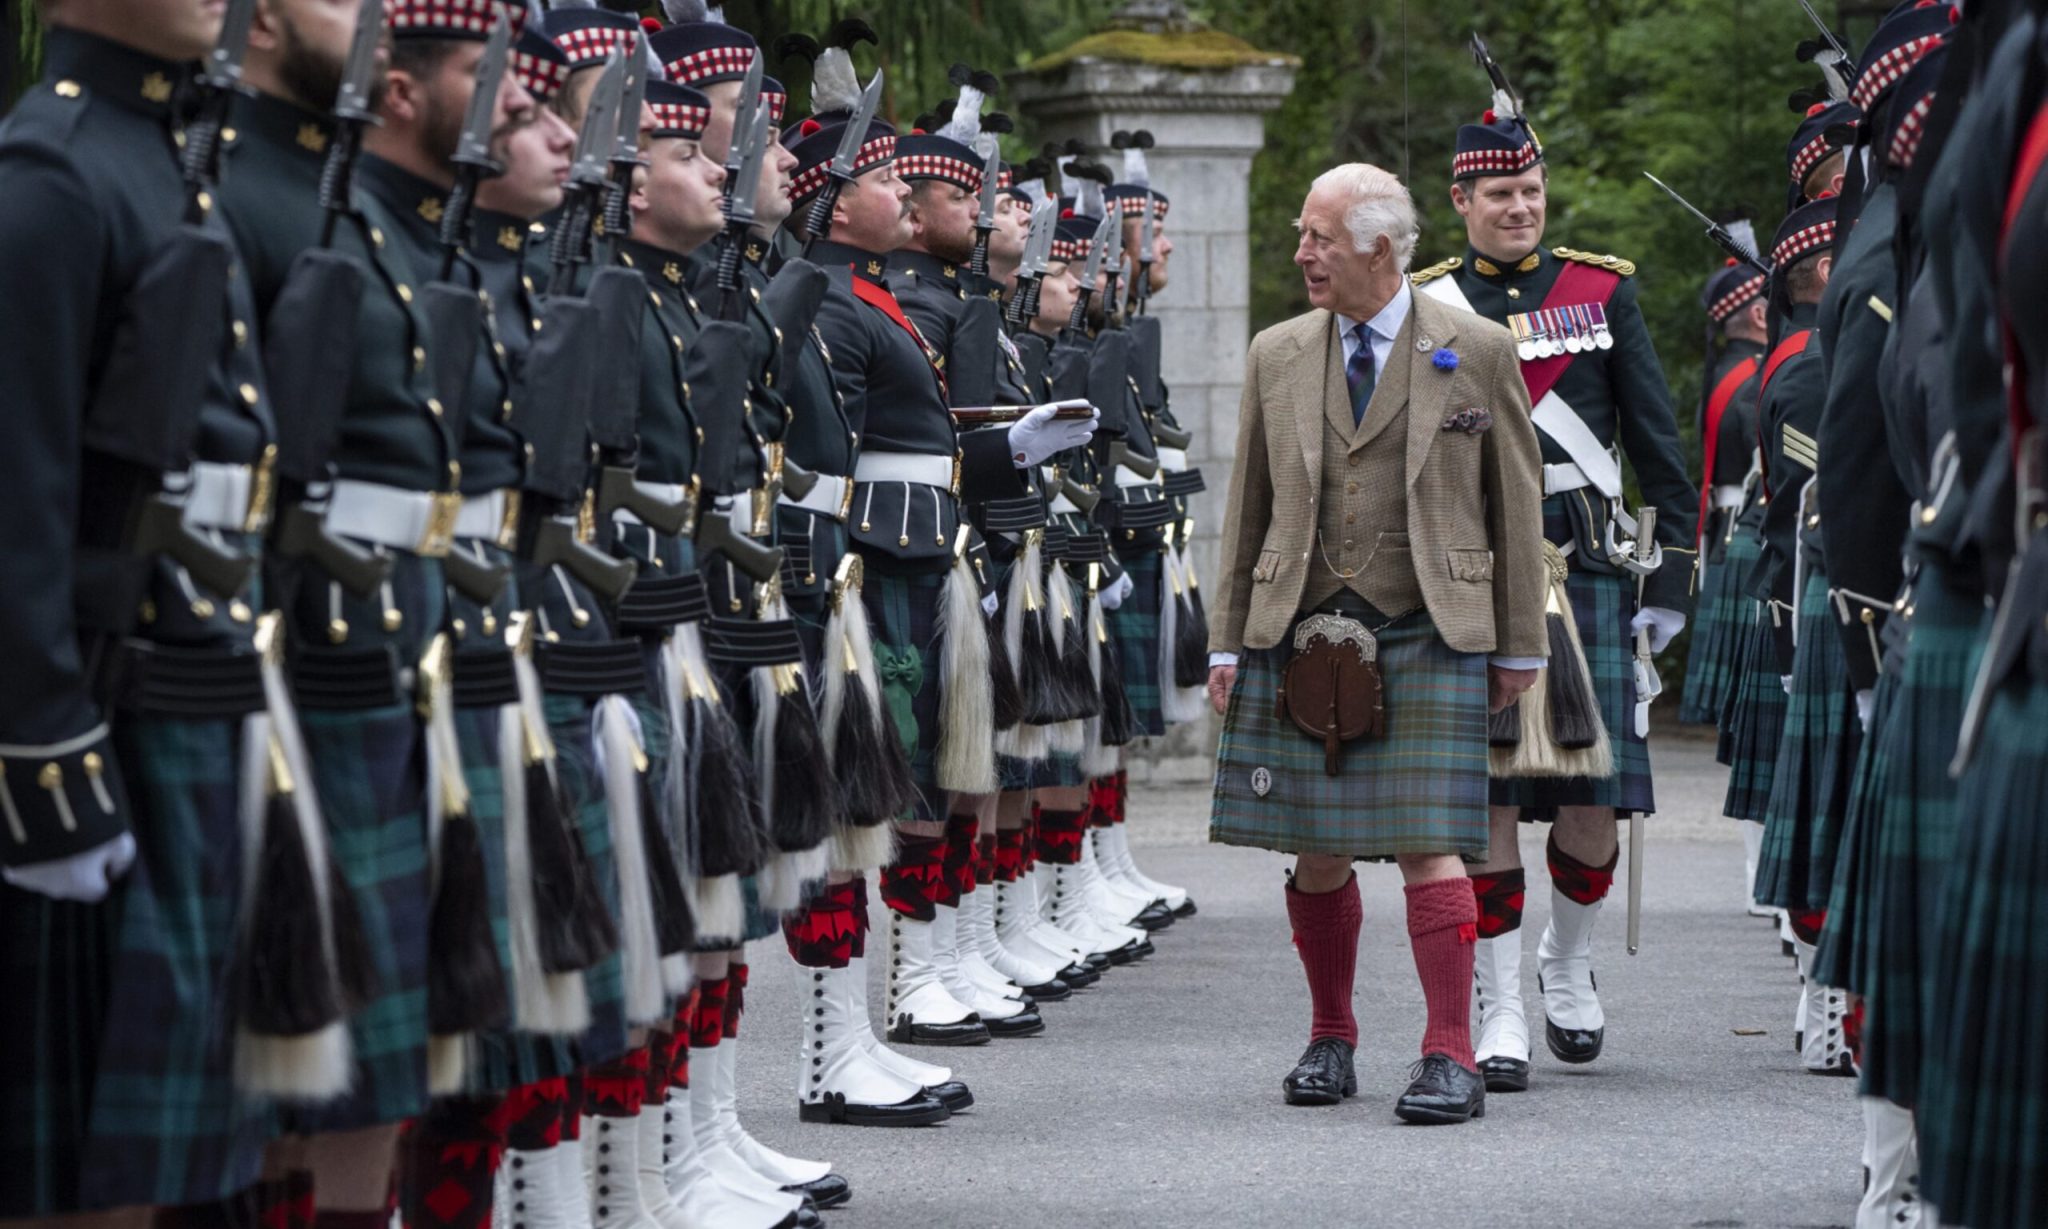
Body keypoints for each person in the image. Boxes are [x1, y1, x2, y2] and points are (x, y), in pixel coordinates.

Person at [0, 0, 282, 1218]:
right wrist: (45, 754)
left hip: (190, 687)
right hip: (104, 716)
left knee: (187, 1168)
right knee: (90, 1181)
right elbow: (17, 491)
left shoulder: (165, 157)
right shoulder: (55, 172)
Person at [1207, 162, 1547, 1124]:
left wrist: (1520, 645)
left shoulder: (1475, 347)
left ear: (1380, 251)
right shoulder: (1276, 352)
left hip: (1431, 624)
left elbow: (1513, 503)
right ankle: (1331, 1034)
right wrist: (1226, 642)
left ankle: (1450, 1052)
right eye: (1303, 234)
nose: (1303, 253)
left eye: (1320, 238)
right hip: (1299, 625)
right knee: (1315, 848)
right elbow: (1249, 509)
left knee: (1431, 844)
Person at [1414, 97, 1698, 1090]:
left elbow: (1657, 445)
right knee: (1484, 792)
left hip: (1586, 565)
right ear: (1461, 199)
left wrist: (1668, 575)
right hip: (1473, 570)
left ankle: (1564, 962)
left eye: (1530, 190)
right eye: (1500, 192)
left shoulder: (1598, 290)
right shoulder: (1428, 302)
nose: (1519, 207)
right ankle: (1497, 1002)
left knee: (1593, 799)